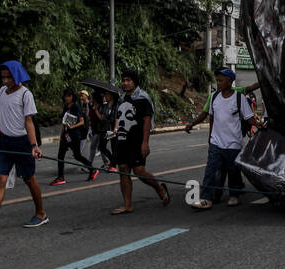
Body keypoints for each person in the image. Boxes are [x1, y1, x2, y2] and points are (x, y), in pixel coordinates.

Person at [0, 61, 48, 235]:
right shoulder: (2, 92)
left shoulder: (26, 94)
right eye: (3, 77)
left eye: (8, 77)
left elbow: (29, 122)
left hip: (22, 143)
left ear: (17, 76)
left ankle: (41, 213)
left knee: (29, 179)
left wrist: (34, 146)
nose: (5, 81)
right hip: (5, 143)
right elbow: (1, 117)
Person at [185, 69, 258, 208]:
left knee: (233, 171)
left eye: (221, 80)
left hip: (233, 143)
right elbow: (206, 114)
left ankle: (234, 194)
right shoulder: (214, 97)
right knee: (210, 171)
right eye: (217, 80)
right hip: (216, 142)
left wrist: (259, 125)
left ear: (230, 82)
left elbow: (249, 118)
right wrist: (192, 124)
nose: (218, 83)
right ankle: (206, 198)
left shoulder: (239, 97)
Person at [108, 69, 170, 214]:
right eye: (124, 80)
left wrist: (145, 142)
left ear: (135, 82)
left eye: (129, 80)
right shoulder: (122, 98)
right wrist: (115, 130)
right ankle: (127, 205)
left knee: (139, 171)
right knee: (123, 169)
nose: (125, 83)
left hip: (137, 141)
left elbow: (147, 121)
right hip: (122, 140)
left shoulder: (143, 98)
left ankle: (160, 189)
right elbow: (118, 116)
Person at [51, 88, 95, 185]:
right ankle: (60, 177)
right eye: (66, 96)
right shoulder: (66, 107)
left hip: (74, 135)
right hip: (66, 135)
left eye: (69, 96)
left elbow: (82, 122)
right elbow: (64, 123)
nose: (67, 98)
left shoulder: (76, 107)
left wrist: (72, 127)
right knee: (60, 155)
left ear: (72, 97)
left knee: (77, 156)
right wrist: (61, 135)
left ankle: (92, 169)